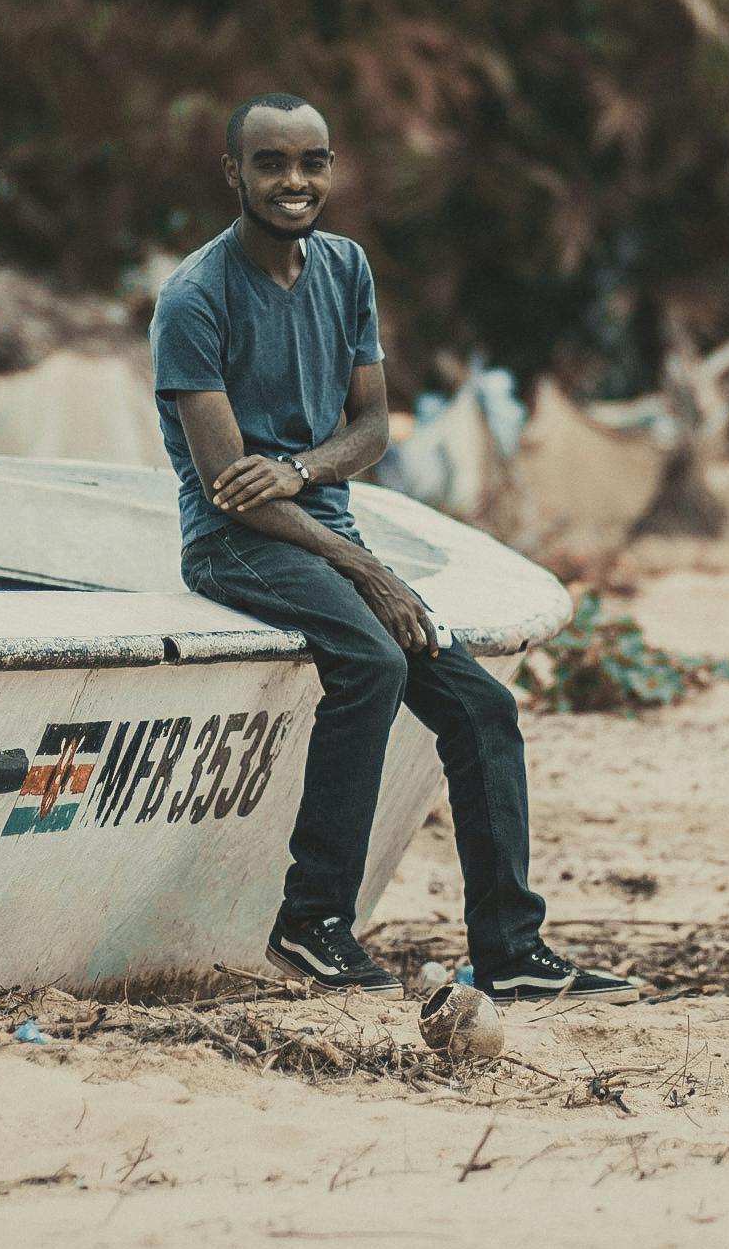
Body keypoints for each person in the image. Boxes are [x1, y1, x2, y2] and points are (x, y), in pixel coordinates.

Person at [151, 92, 641, 1004]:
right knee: (372, 659)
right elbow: (229, 487)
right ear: (234, 173)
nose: (296, 181)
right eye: (272, 163)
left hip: (322, 529)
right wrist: (365, 566)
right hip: (233, 545)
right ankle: (313, 920)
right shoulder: (194, 297)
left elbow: (372, 428)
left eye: (314, 161)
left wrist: (299, 473)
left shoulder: (346, 268)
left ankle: (510, 952)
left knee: (482, 706)